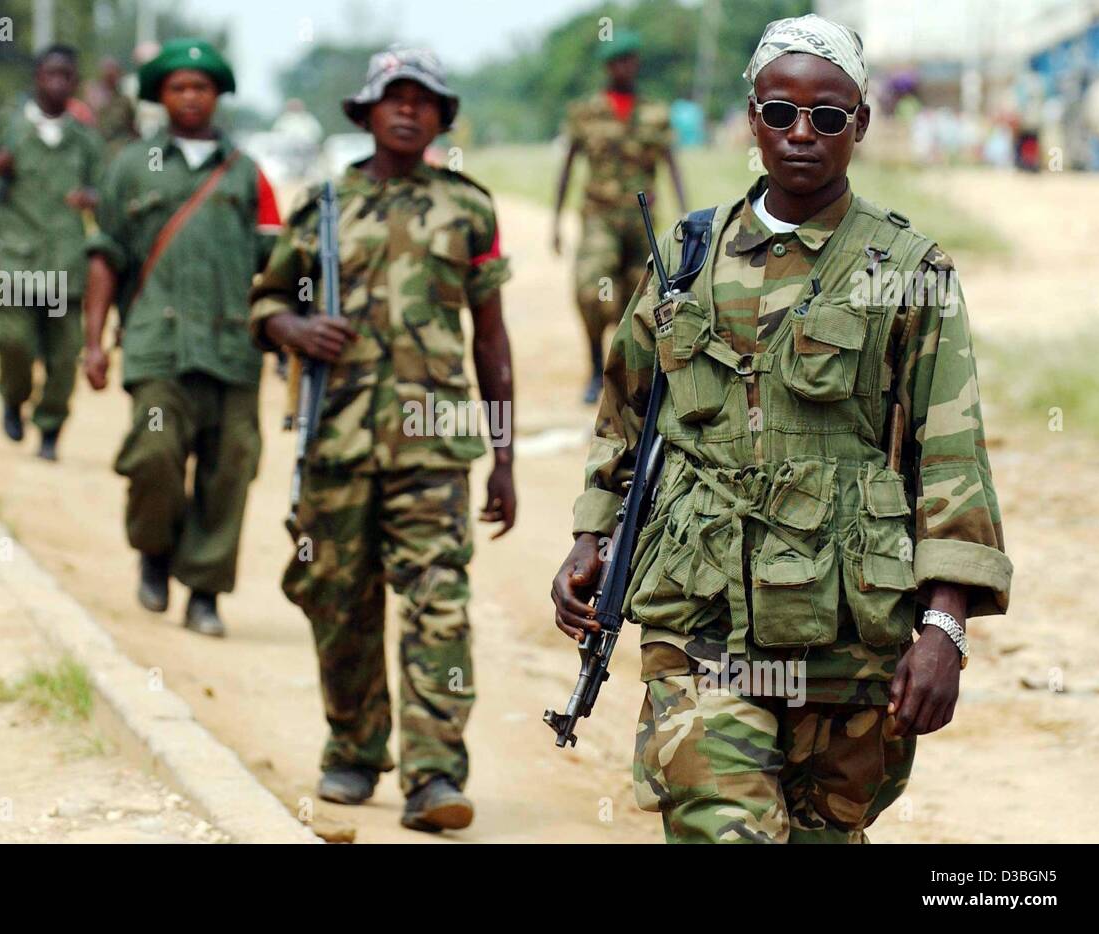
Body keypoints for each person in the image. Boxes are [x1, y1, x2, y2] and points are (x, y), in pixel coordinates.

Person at [549, 14, 1012, 844]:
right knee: (725, 826)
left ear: (860, 125)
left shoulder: (907, 272)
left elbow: (951, 458)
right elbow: (626, 410)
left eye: (828, 116)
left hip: (850, 635)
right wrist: (591, 535)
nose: (803, 134)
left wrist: (945, 627)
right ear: (751, 118)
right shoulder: (687, 255)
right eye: (780, 112)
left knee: (823, 835)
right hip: (701, 617)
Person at [249, 47, 516, 833]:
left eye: (424, 99)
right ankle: (356, 749)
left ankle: (435, 776)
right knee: (339, 601)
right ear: (365, 113)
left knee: (439, 606)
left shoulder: (469, 209)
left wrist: (503, 456)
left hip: (434, 451)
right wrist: (297, 326)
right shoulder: (320, 209)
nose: (408, 110)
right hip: (336, 444)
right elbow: (262, 306)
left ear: (442, 116)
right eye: (392, 98)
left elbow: (491, 341)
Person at [83, 39, 281, 637]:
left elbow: (280, 260)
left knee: (230, 471)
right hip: (155, 344)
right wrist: (93, 342)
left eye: (201, 86)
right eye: (178, 87)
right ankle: (154, 550)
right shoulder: (127, 166)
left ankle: (204, 592)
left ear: (218, 95)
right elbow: (104, 255)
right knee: (154, 455)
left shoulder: (247, 173)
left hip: (231, 348)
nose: (190, 96)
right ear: (160, 97)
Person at [0, 44, 103, 461]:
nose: (58, 82)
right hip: (14, 259)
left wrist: (91, 198)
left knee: (64, 360)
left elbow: (106, 193)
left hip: (66, 261)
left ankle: (49, 428)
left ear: (75, 82)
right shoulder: (7, 128)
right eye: (51, 74)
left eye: (67, 75)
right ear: (37, 78)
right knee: (12, 341)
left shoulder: (85, 140)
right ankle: (13, 396)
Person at [552, 29, 687, 404]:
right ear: (607, 66)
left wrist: (686, 214)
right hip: (600, 218)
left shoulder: (655, 114)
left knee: (639, 300)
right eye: (616, 61)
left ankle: (632, 377)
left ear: (636, 63)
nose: (623, 67)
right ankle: (595, 369)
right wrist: (556, 221)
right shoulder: (586, 112)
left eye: (629, 60)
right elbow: (566, 165)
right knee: (592, 292)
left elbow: (672, 164)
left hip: (641, 222)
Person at [86, 57, 139, 154]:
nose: (111, 77)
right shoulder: (89, 95)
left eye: (113, 74)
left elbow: (133, 128)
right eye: (107, 74)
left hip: (118, 150)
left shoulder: (124, 102)